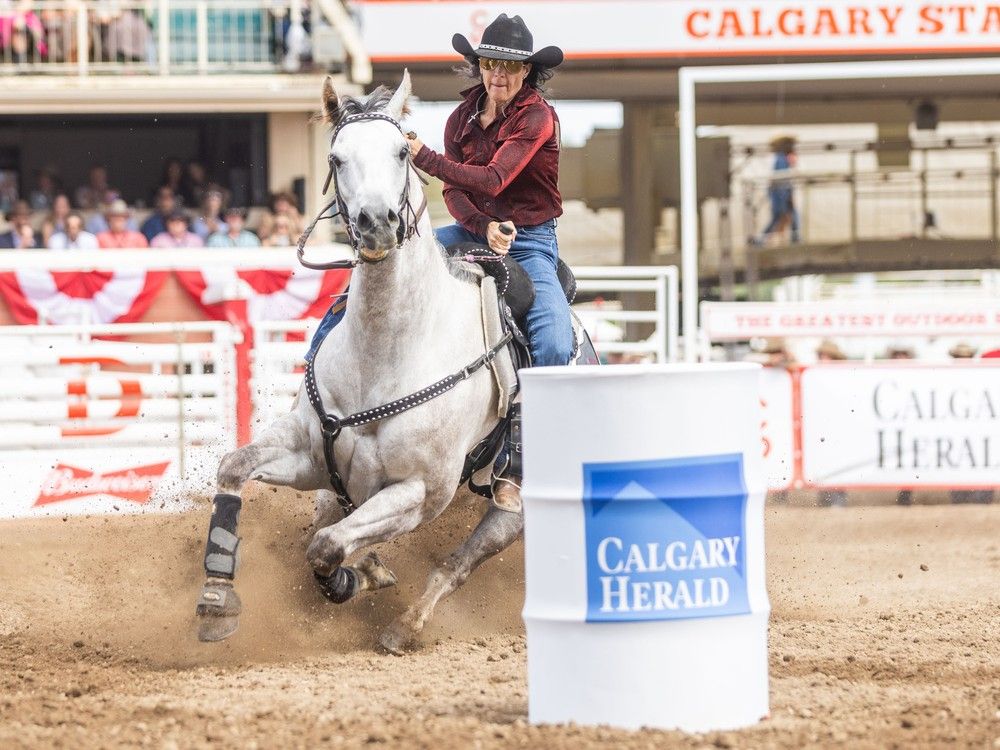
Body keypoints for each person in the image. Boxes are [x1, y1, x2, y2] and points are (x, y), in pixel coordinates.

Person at [307, 13, 571, 511]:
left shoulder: (537, 117)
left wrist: (421, 155)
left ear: (528, 74)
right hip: (474, 228)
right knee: (372, 274)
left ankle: (519, 460)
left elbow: (493, 179)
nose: (500, 75)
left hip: (531, 241)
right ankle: (315, 378)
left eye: (512, 68)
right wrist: (482, 226)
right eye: (491, 63)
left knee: (555, 341)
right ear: (480, 66)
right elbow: (457, 190)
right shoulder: (461, 119)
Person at [947, 343, 993, 504]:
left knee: (981, 457)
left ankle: (982, 497)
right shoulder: (949, 377)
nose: (963, 360)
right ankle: (960, 497)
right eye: (960, 357)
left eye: (966, 357)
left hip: (977, 426)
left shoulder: (979, 375)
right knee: (957, 459)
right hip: (958, 426)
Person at [751, 136, 800, 245]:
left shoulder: (783, 159)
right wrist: (786, 199)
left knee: (786, 218)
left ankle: (795, 239)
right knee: (780, 218)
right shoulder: (781, 159)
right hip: (781, 195)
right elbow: (781, 180)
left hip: (782, 194)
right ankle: (760, 241)